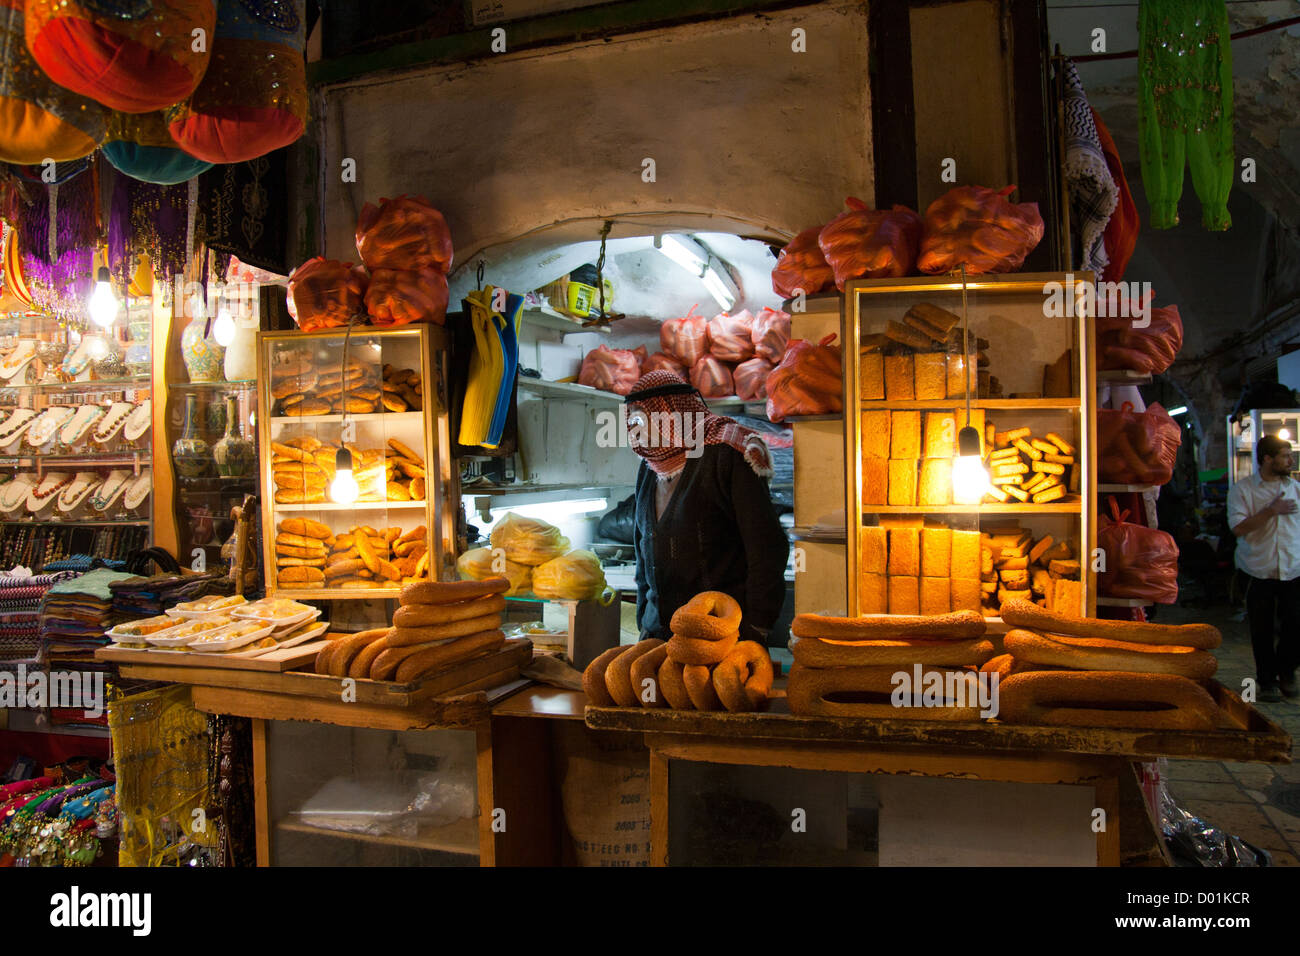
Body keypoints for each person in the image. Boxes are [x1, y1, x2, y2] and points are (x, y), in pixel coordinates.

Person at [624, 370, 789, 643]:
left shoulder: (726, 457)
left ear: (675, 415)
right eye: (633, 418)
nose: (636, 428)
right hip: (658, 638)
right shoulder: (648, 469)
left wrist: (757, 627)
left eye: (646, 417)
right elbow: (644, 554)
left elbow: (767, 549)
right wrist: (644, 618)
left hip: (721, 637)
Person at [1227, 434, 1300, 701]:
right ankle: (1267, 681)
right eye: (1284, 455)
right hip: (1258, 568)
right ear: (1267, 459)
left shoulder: (1296, 488)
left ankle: (1286, 669)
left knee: (1296, 623)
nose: (1290, 460)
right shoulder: (1243, 490)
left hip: (1293, 568)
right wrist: (1271, 510)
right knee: (1262, 629)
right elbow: (1238, 528)